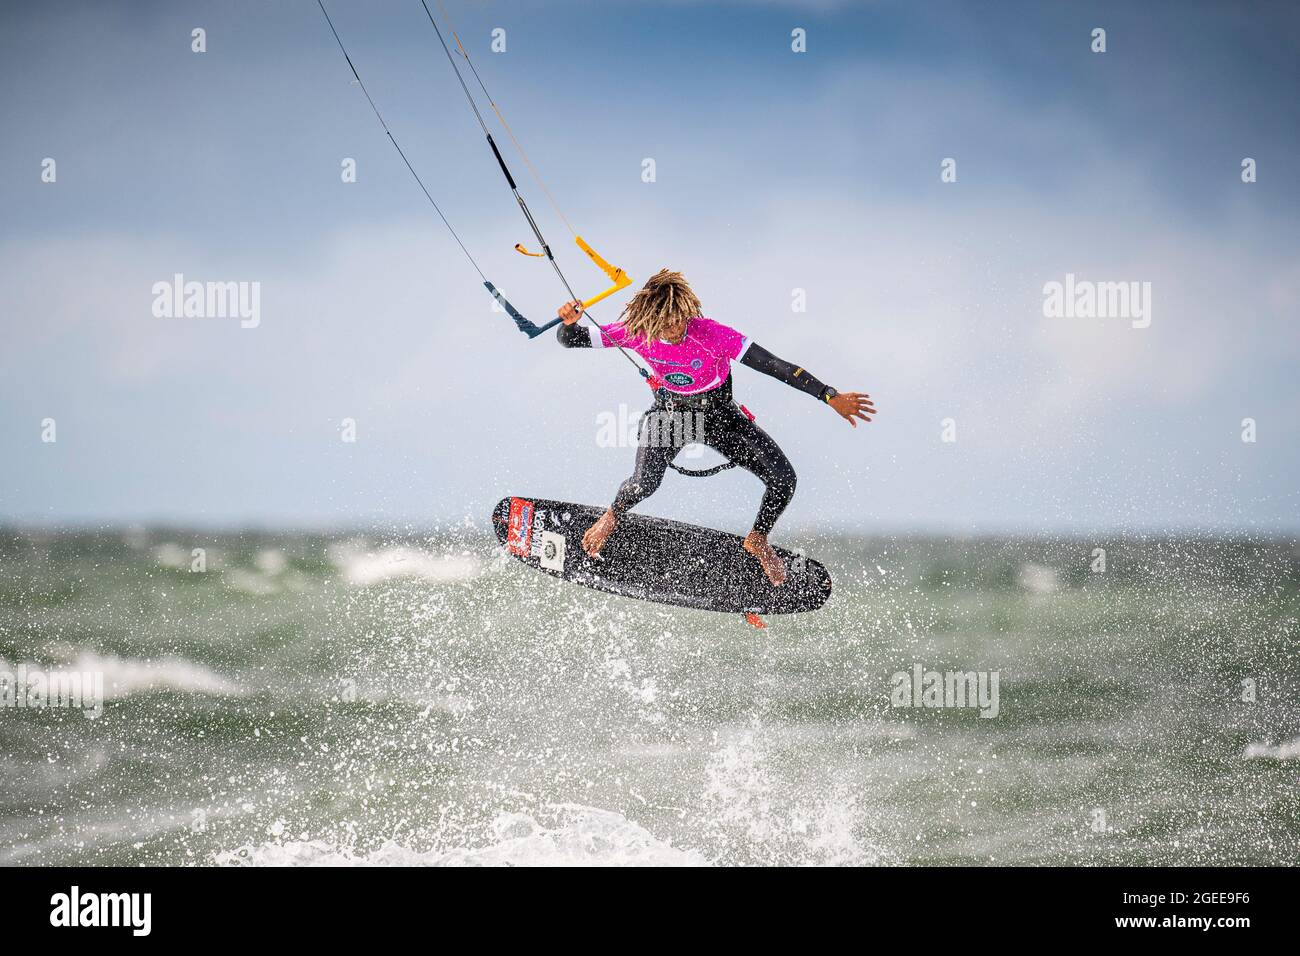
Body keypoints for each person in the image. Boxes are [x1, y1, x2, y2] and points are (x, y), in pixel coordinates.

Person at [556, 269, 875, 586]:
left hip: (721, 419)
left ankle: (757, 540)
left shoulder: (712, 334)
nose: (673, 329)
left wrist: (828, 394)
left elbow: (776, 366)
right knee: (644, 484)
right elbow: (572, 340)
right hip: (671, 418)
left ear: (687, 312)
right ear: (651, 318)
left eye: (678, 320)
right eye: (665, 323)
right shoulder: (638, 332)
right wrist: (568, 322)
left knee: (783, 479)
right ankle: (609, 518)